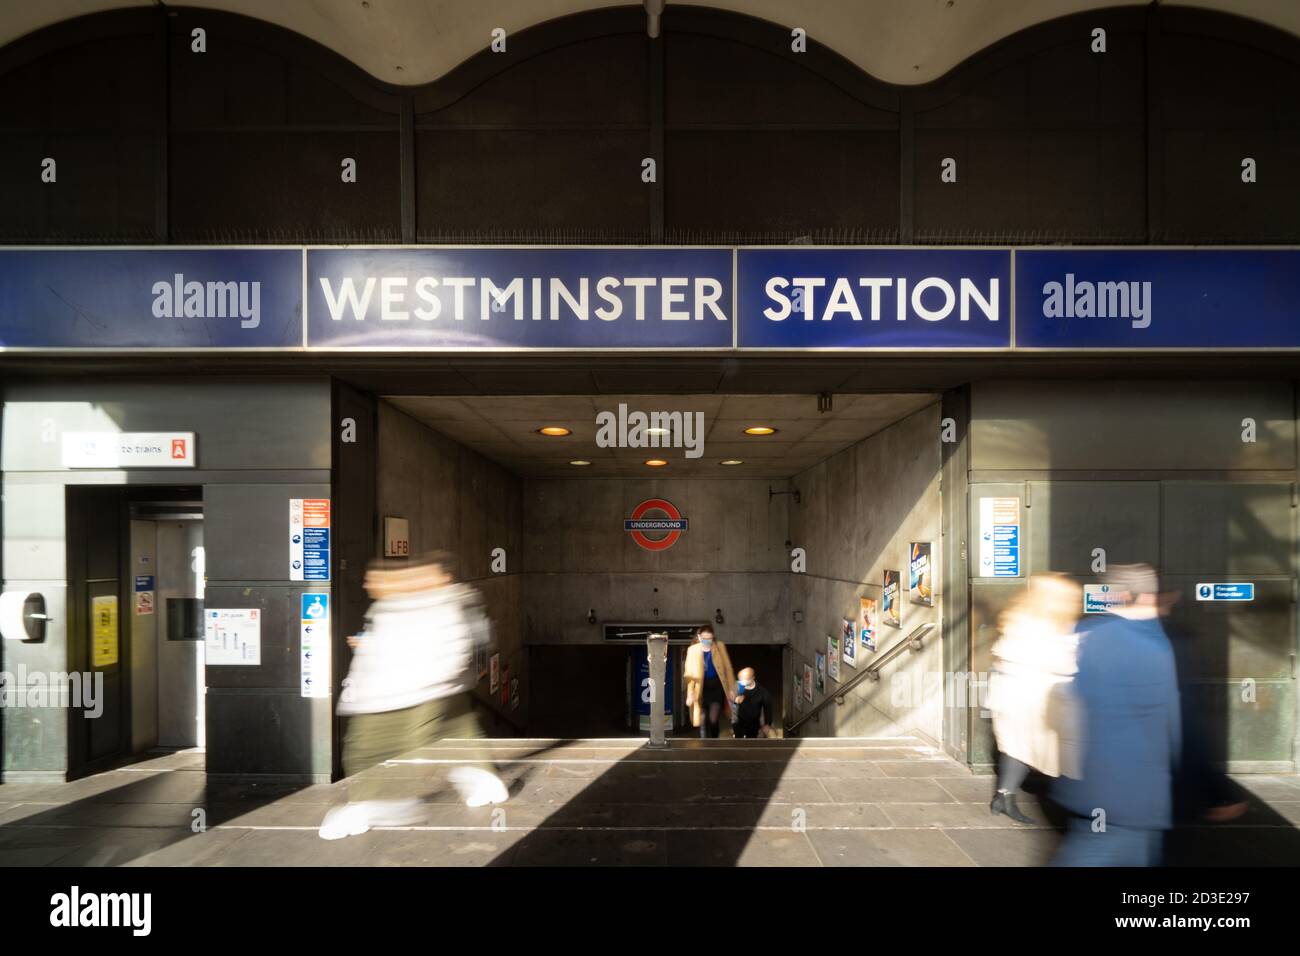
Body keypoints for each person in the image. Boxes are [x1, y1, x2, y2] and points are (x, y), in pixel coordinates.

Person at [319, 552, 508, 840]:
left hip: (406, 693)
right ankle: (482, 778)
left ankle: (379, 804)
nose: (369, 584)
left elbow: (442, 646)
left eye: (376, 578)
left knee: (369, 747)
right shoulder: (406, 604)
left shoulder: (439, 603)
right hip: (420, 688)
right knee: (459, 729)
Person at [1051, 564, 1182, 866]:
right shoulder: (1158, 647)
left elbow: (1061, 699)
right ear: (1148, 596)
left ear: (1122, 595)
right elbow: (1172, 728)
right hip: (1133, 794)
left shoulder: (1086, 633)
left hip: (1092, 781)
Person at [987, 574, 1083, 825]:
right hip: (1029, 701)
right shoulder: (1036, 625)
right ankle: (1068, 806)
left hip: (1022, 700)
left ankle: (1004, 797)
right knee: (1030, 749)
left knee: (1020, 749)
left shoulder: (1024, 619)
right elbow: (1058, 662)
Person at [683, 624, 736, 739]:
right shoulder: (692, 650)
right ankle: (704, 746)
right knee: (701, 721)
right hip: (700, 690)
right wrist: (690, 694)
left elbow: (728, 668)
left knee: (713, 719)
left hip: (716, 688)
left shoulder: (719, 646)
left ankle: (714, 742)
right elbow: (689, 674)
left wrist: (732, 689)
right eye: (704, 638)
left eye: (709, 638)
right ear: (699, 637)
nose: (707, 641)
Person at [732, 667, 774, 739]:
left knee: (751, 740)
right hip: (738, 721)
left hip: (753, 723)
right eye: (740, 679)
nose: (741, 682)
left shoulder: (762, 692)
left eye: (745, 679)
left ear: (752, 678)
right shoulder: (737, 687)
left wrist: (767, 724)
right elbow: (729, 700)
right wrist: (735, 701)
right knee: (738, 739)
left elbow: (768, 708)